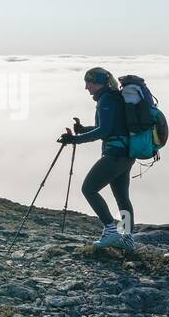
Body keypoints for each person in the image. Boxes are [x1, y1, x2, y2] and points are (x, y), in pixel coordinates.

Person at [57, 67, 135, 250]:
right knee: (122, 198)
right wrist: (83, 129)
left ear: (97, 82)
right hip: (126, 155)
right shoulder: (114, 97)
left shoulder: (106, 100)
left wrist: (75, 139)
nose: (86, 87)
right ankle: (128, 238)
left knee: (89, 189)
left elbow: (104, 131)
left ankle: (111, 231)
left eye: (88, 83)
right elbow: (108, 126)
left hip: (114, 155)